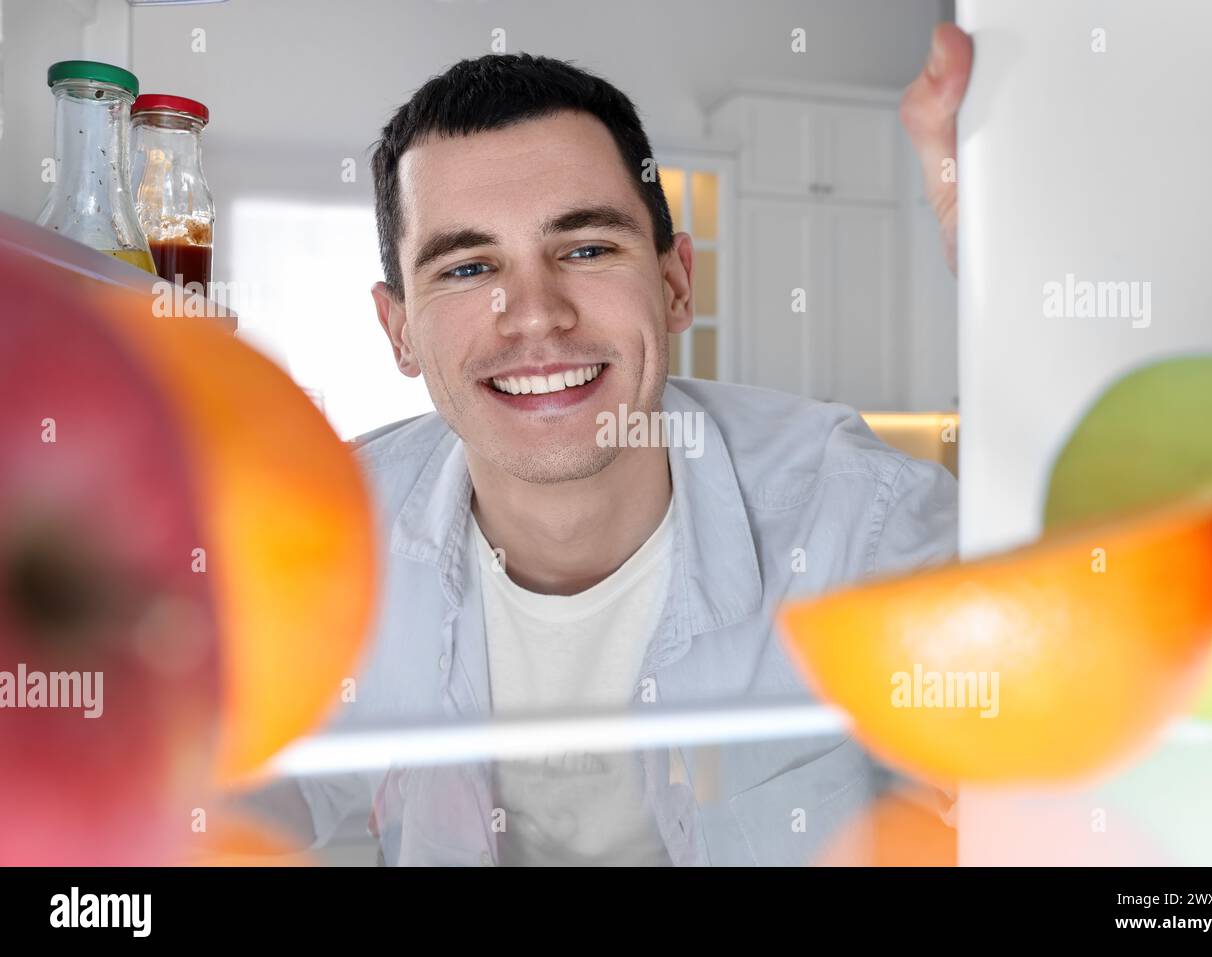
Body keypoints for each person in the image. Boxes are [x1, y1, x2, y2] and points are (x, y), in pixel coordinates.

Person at [260, 24, 976, 866]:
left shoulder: (855, 520)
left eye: (587, 247)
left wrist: (1016, 299)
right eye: (466, 269)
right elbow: (214, 801)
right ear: (399, 330)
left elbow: (1099, 705)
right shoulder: (325, 538)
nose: (534, 313)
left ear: (675, 284)